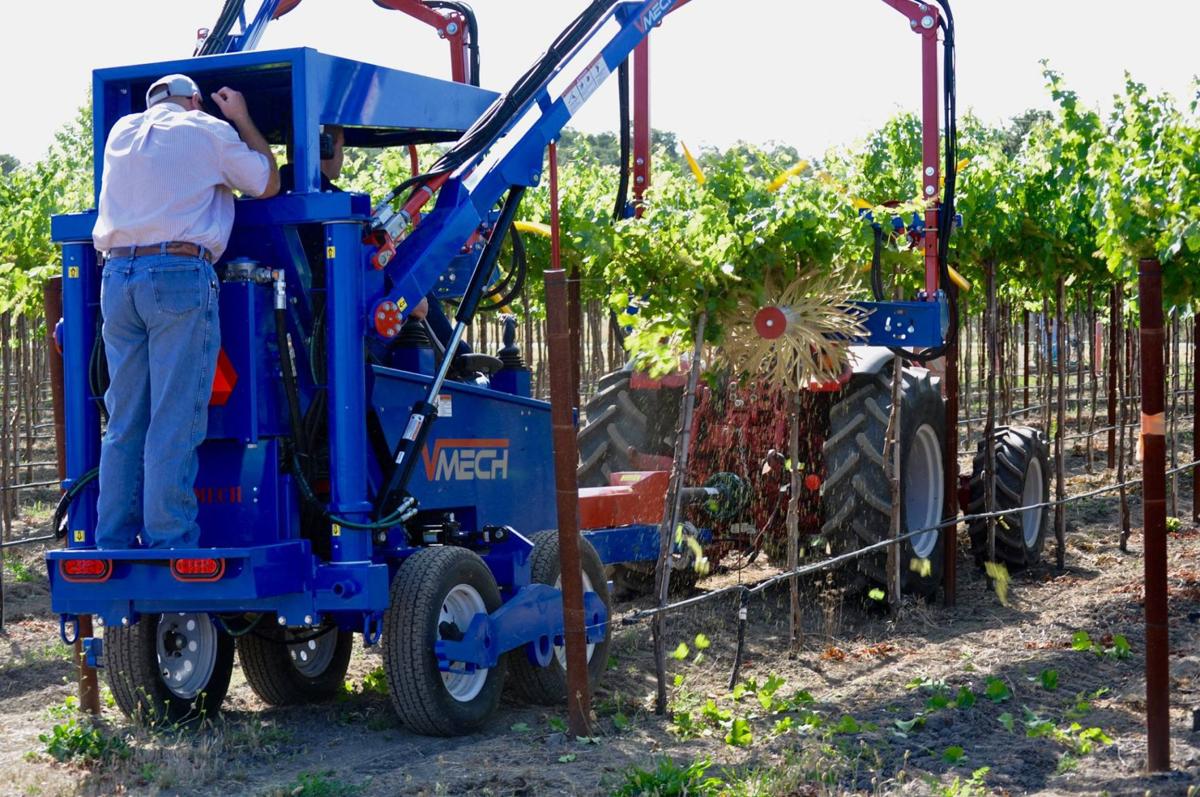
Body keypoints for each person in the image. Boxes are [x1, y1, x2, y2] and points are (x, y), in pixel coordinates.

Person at [91, 74, 280, 549]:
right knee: (174, 415)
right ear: (195, 102)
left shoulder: (121, 133)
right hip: (176, 276)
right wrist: (239, 118)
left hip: (117, 279)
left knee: (124, 419)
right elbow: (267, 182)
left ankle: (112, 540)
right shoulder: (206, 129)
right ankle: (169, 539)